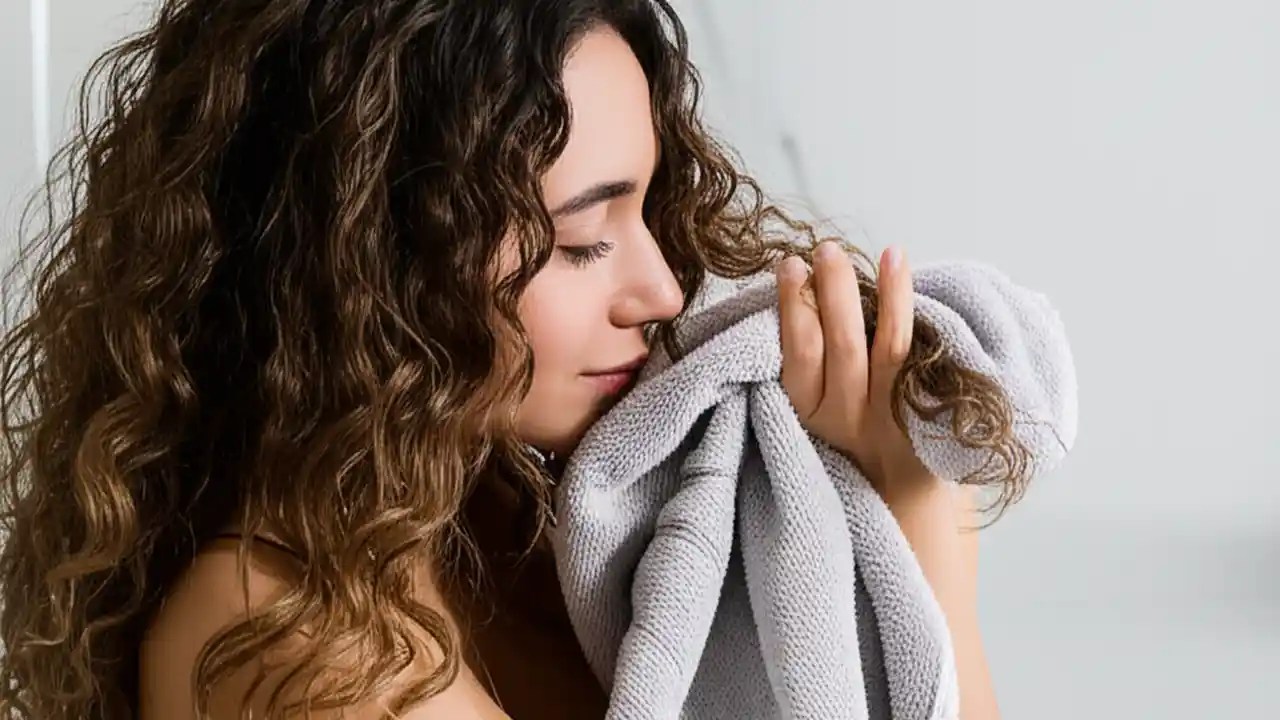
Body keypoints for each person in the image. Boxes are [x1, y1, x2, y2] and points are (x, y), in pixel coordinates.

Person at [0, 1, 1017, 717]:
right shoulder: (292, 638)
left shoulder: (509, 535)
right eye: (581, 240)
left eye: (646, 207)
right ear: (375, 263)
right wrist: (923, 535)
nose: (661, 291)